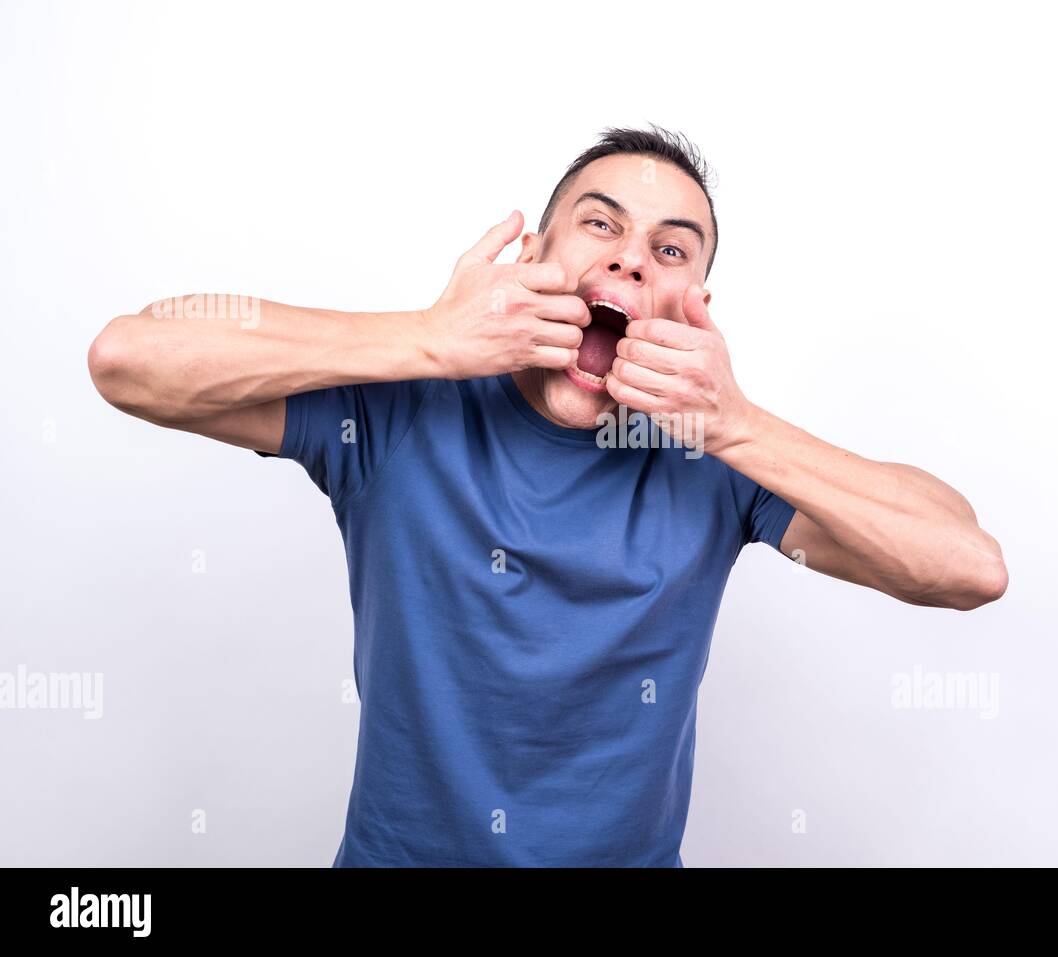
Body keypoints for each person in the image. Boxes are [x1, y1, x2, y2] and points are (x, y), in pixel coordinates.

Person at [87, 125, 1008, 867]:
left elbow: (968, 566)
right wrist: (428, 338)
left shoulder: (719, 459)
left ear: (696, 305)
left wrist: (735, 425)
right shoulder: (403, 409)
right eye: (600, 225)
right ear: (535, 254)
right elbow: (129, 360)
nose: (634, 259)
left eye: (671, 248)